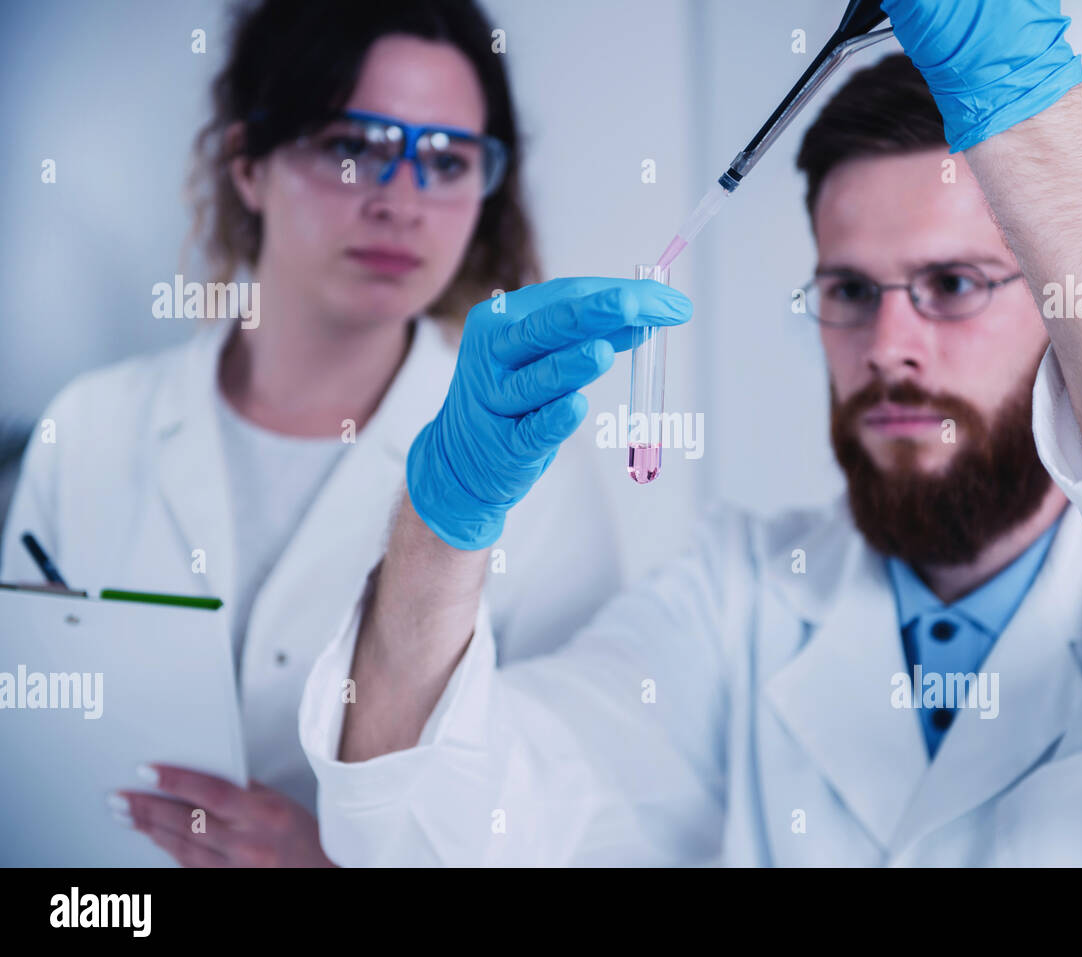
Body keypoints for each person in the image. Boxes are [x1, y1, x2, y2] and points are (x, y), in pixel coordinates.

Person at [299, 0, 1082, 866]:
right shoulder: (734, 601)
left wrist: (1036, 112)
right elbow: (427, 834)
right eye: (849, 290)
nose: (888, 344)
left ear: (1059, 304)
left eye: (951, 285)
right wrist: (442, 521)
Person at [0, 0, 623, 867]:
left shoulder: (526, 455)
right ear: (247, 164)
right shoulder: (92, 426)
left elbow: (571, 814)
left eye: (446, 160)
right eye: (350, 146)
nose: (401, 199)